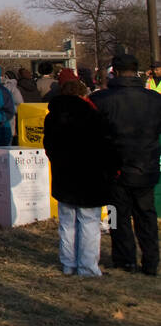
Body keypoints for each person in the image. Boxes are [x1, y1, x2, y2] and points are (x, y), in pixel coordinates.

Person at [91, 54, 161, 276]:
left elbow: (94, 133)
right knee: (146, 215)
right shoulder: (155, 99)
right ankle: (151, 262)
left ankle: (125, 260)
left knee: (116, 215)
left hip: (115, 169)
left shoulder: (101, 99)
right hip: (146, 165)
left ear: (116, 72)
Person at [44, 79, 113, 276]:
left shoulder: (52, 118)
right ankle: (88, 266)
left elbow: (49, 146)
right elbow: (104, 147)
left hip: (63, 175)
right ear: (83, 95)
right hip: (89, 177)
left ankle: (68, 264)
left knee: (67, 222)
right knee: (89, 223)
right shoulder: (92, 116)